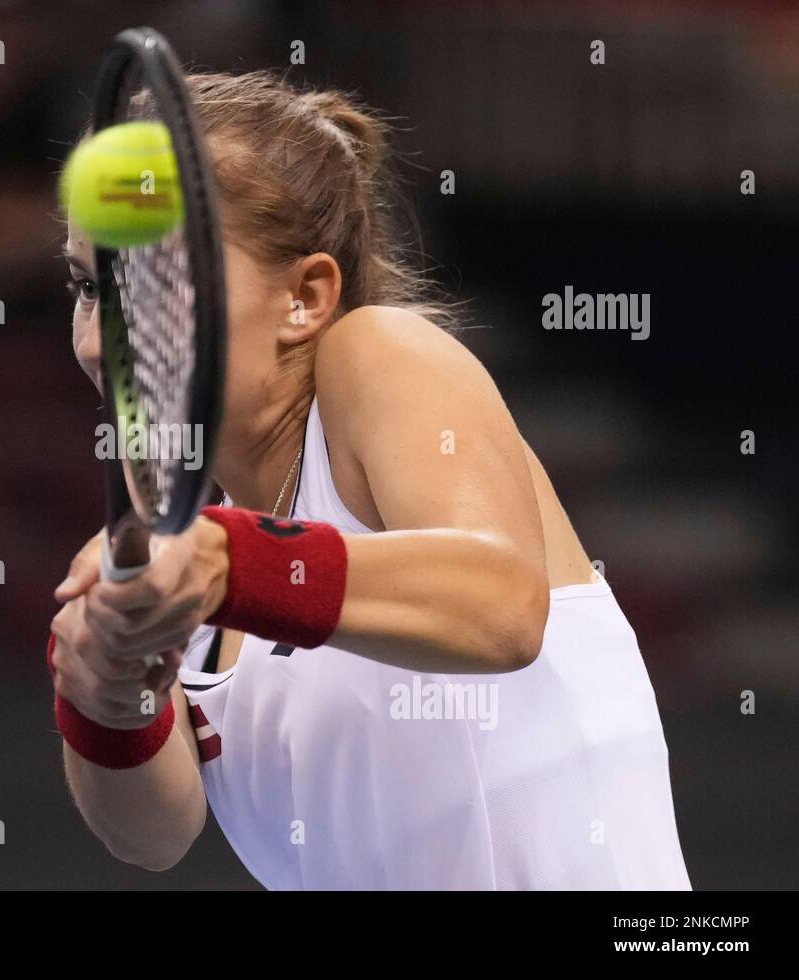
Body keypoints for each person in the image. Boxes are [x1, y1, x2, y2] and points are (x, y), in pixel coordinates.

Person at [49, 70, 690, 890]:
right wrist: (105, 691)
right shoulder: (191, 554)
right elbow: (153, 834)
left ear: (306, 298)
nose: (102, 341)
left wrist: (227, 562)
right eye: (86, 287)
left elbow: (503, 608)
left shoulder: (379, 357)